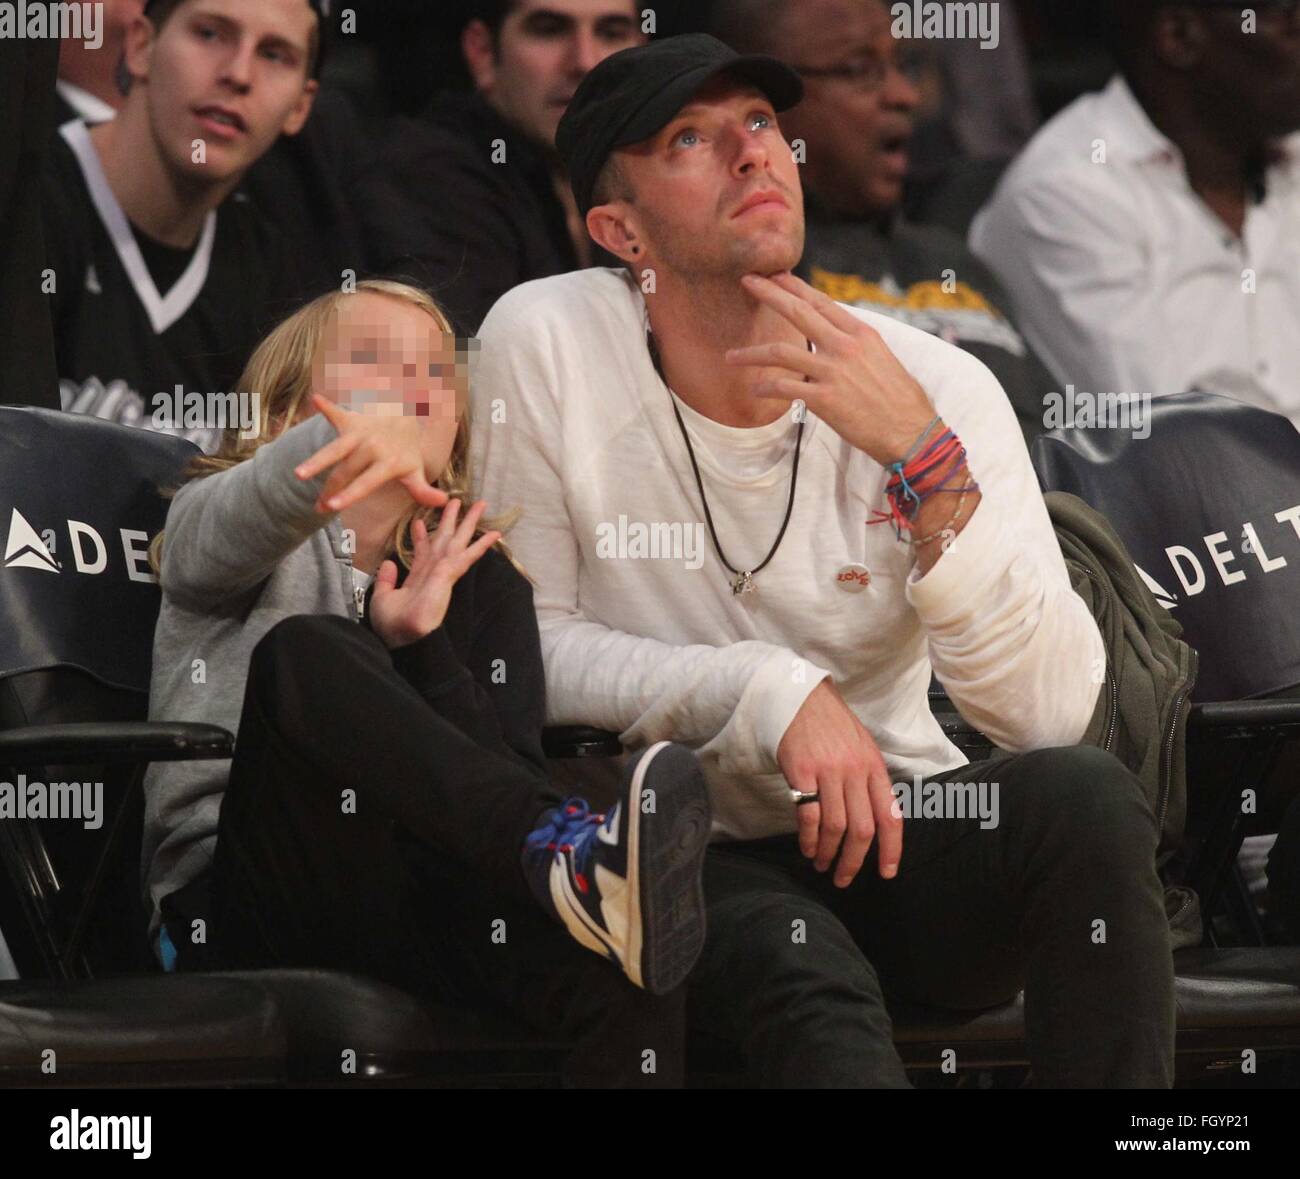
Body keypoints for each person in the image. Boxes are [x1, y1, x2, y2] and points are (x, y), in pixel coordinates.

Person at [470, 33, 1177, 1087]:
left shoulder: (935, 386)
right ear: (619, 229)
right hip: (682, 855)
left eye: (759, 123)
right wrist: (768, 688)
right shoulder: (544, 341)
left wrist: (929, 467)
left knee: (1080, 799)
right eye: (691, 140)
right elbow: (525, 652)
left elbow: (1046, 716)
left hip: (895, 833)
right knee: (813, 982)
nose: (753, 154)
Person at [143, 279, 711, 1087]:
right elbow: (207, 537)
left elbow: (493, 790)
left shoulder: (486, 581)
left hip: (425, 897)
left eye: (439, 373)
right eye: (377, 362)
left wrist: (419, 646)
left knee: (625, 958)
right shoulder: (233, 534)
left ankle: (586, 870)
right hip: (247, 891)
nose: (417, 386)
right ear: (284, 415)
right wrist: (310, 471)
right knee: (311, 648)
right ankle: (573, 848)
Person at [705, 0, 1058, 449]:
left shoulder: (953, 258)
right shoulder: (739, 271)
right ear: (766, 104)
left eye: (903, 64)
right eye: (859, 70)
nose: (903, 95)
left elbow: (1064, 450)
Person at [970, 0, 1300, 432]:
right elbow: (1168, 443)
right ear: (1179, 36)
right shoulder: (1066, 191)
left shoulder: (1288, 156)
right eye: (1288, 19)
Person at [43, 0, 322, 450]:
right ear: (140, 46)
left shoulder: (277, 288)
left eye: (274, 55)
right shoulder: (27, 205)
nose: (239, 74)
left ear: (300, 108)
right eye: (210, 34)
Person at [356, 0, 645, 333]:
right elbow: (470, 364)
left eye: (611, 33)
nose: (585, 61)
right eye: (549, 30)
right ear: (483, 52)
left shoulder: (638, 174)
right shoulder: (429, 171)